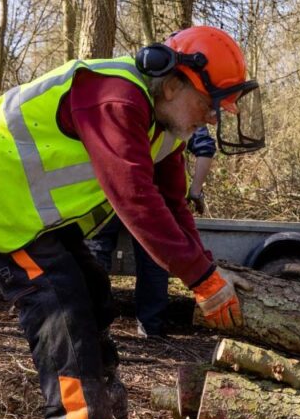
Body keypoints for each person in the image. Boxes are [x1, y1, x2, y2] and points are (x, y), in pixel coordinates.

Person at [0, 25, 263, 419]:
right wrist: (199, 279)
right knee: (62, 313)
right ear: (173, 84)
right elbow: (135, 199)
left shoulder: (166, 126)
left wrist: (207, 271)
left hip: (34, 215)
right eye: (209, 104)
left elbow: (172, 202)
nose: (213, 117)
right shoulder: (115, 98)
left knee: (96, 298)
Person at [86, 126, 217, 338]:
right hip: (148, 193)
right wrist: (194, 191)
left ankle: (90, 323)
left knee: (97, 251)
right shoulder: (180, 117)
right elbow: (204, 148)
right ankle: (150, 326)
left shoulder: (123, 113)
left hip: (108, 188)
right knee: (153, 255)